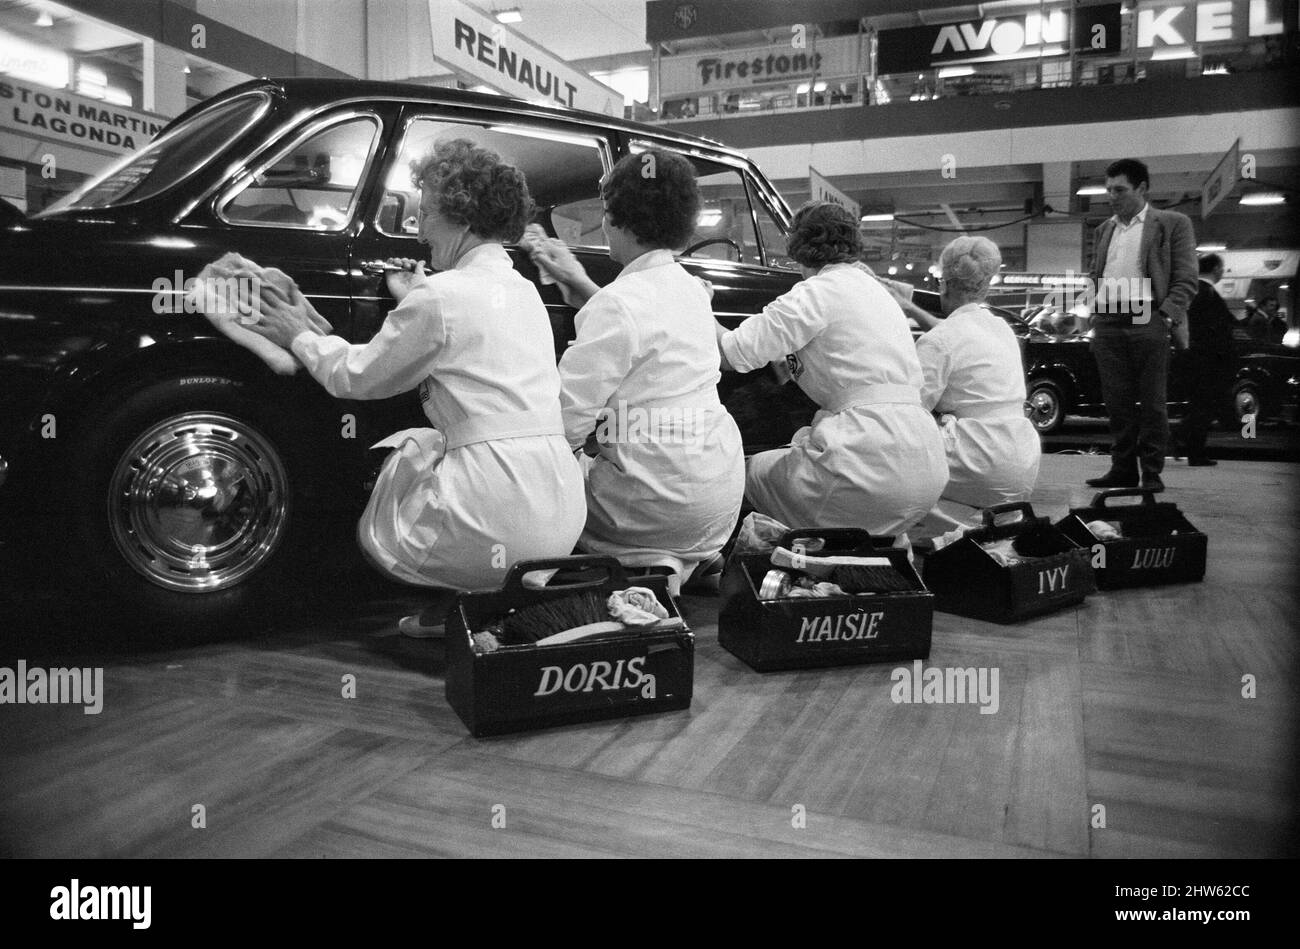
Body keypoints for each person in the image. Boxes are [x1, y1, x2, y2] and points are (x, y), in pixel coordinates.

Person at [248, 138, 586, 632]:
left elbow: (356, 377)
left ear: (463, 219)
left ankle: (464, 595)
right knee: (448, 446)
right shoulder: (525, 293)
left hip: (494, 516)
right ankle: (489, 602)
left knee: (407, 460)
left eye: (426, 213)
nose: (419, 226)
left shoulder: (441, 296)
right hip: (559, 516)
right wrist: (417, 297)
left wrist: (297, 334)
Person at [528, 148, 745, 594]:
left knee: (544, 460)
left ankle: (641, 561)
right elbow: (647, 333)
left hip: (651, 506)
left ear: (613, 217)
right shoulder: (693, 291)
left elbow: (566, 419)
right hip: (717, 504)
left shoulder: (617, 304)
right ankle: (686, 561)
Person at [713, 201, 948, 537]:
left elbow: (732, 352)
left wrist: (696, 305)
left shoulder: (814, 293)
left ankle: (756, 562)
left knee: (749, 474)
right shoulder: (878, 295)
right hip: (926, 461)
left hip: (867, 460)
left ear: (798, 248)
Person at [1085, 157, 1197, 492]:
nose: (1111, 196)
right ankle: (1122, 468)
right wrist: (1092, 311)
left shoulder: (1173, 223)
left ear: (1142, 189)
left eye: (1119, 190)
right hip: (1107, 321)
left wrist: (1164, 316)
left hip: (1147, 317)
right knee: (1116, 403)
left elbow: (1187, 278)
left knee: (1151, 403)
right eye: (1108, 190)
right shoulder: (1104, 230)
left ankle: (1151, 472)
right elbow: (1095, 273)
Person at [914, 236, 1041, 531]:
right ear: (986, 286)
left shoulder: (938, 342)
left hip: (979, 464)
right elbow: (959, 335)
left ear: (943, 284)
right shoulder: (1002, 330)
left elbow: (912, 411)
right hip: (1022, 465)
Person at [1172, 254, 1236, 467]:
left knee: (1198, 406)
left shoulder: (1192, 292)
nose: (1222, 272)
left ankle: (1183, 440)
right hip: (1207, 361)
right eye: (1222, 268)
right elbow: (1217, 332)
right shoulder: (1208, 294)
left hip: (1191, 358)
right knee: (1204, 406)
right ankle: (1193, 450)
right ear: (1216, 268)